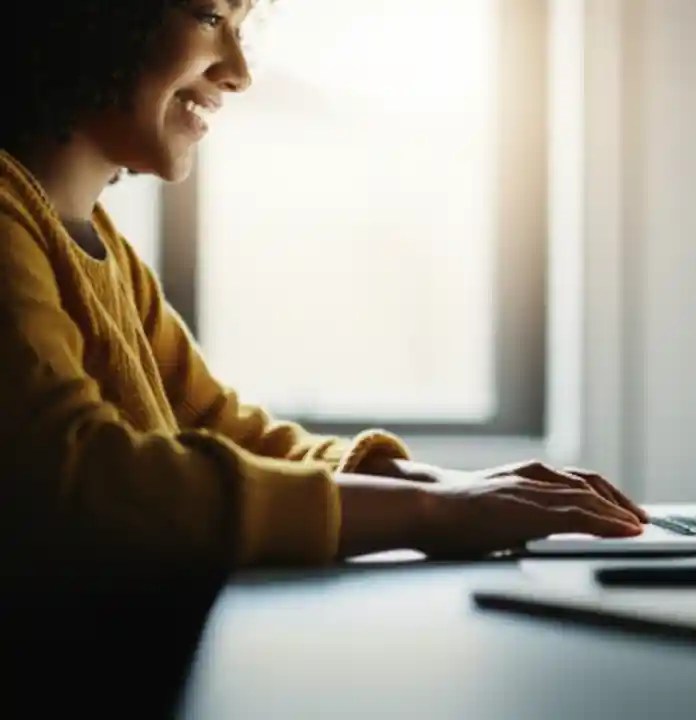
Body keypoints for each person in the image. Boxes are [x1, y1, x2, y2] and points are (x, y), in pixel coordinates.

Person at [0, 0, 647, 577]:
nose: (239, 73)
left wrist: (441, 484)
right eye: (209, 17)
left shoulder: (101, 246)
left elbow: (222, 430)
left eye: (241, 29)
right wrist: (431, 511)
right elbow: (82, 477)